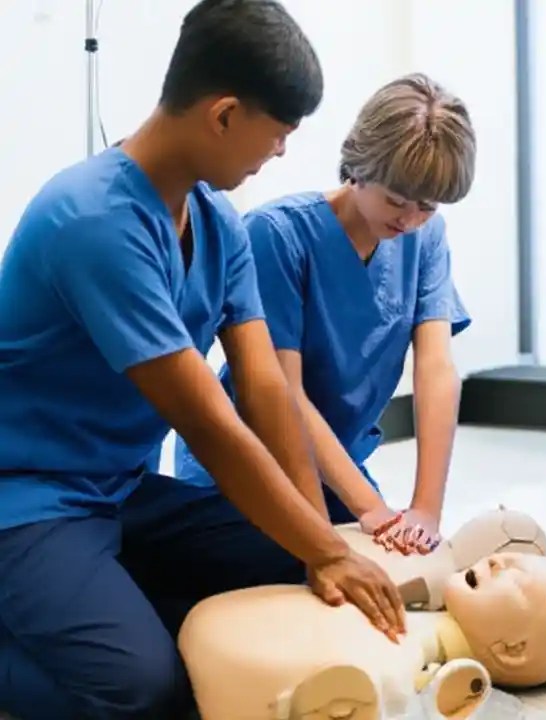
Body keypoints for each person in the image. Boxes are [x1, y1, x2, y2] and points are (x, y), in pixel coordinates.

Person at [0, 2, 407, 717]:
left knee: (287, 561)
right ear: (223, 115)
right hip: (29, 500)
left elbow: (262, 388)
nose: (280, 152)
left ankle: (92, 610)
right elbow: (210, 424)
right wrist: (328, 552)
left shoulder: (217, 219)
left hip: (121, 492)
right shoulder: (92, 220)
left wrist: (319, 549)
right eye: (277, 132)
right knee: (146, 689)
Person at [174, 73, 473, 555]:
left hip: (338, 468)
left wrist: (424, 510)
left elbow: (437, 369)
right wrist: (371, 509)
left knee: (400, 573)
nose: (409, 220)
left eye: (427, 207)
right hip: (250, 466)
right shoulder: (277, 236)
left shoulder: (425, 238)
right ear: (358, 165)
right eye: (395, 200)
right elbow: (282, 391)